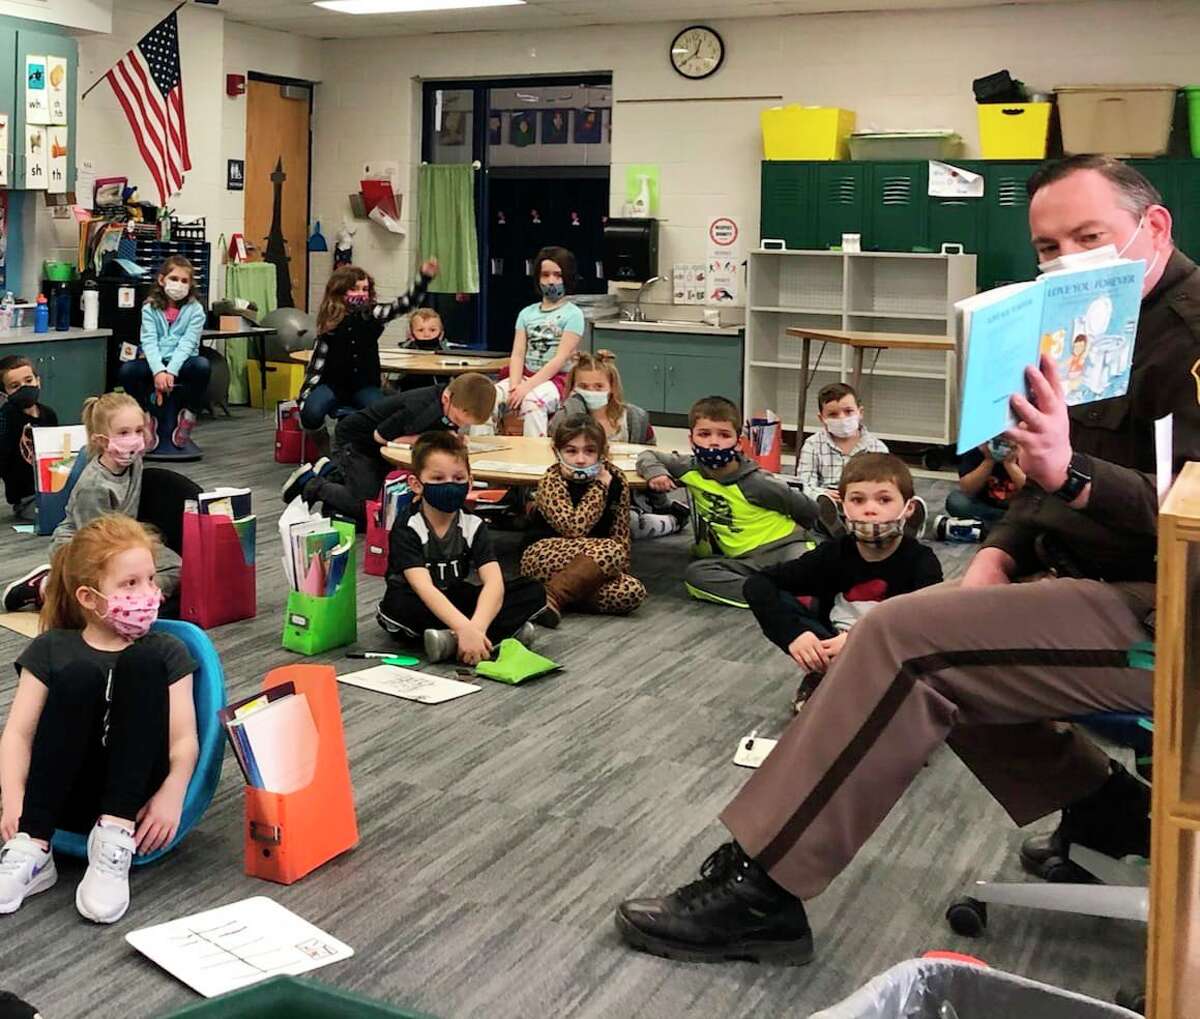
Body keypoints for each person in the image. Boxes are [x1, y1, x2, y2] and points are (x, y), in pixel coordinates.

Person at [613, 154, 1198, 966]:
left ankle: (763, 891)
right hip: (1094, 580)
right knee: (949, 629)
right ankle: (1106, 810)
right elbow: (1043, 470)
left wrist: (1075, 476)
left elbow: (1166, 499)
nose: (1068, 262)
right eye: (1048, 248)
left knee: (905, 639)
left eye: (1090, 237)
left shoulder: (1191, 334)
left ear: (1155, 228)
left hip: (1175, 608)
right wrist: (999, 550)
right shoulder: (1098, 318)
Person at [0, 515, 198, 923]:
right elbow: (19, 734)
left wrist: (173, 792)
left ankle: (113, 839)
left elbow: (184, 739)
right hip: (61, 798)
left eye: (149, 580)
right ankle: (34, 850)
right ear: (89, 598)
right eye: (130, 584)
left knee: (141, 662)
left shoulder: (166, 651)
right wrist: (14, 801)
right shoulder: (52, 648)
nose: (148, 593)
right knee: (78, 675)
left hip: (134, 806)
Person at [745, 452, 942, 713]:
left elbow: (928, 626)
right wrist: (794, 635)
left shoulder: (922, 561)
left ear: (908, 508)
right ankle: (825, 675)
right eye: (857, 500)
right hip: (832, 644)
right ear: (844, 508)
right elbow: (758, 584)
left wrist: (860, 640)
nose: (870, 509)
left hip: (891, 650)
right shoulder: (833, 553)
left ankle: (864, 682)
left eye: (884, 499)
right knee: (777, 595)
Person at [376, 431, 547, 664]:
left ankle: (455, 641)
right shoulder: (408, 526)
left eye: (458, 479)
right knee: (398, 604)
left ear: (469, 481)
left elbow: (494, 582)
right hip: (418, 599)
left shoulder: (473, 524)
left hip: (456, 597)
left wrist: (474, 626)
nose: (449, 485)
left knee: (533, 590)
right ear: (416, 484)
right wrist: (465, 626)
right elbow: (423, 587)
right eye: (438, 479)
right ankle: (500, 636)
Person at [2, 394, 181, 614]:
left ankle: (137, 593)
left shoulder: (134, 460)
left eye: (138, 430)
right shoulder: (94, 485)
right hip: (83, 545)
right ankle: (46, 586)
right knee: (103, 586)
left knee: (176, 568)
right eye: (123, 432)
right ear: (101, 440)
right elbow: (96, 542)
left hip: (123, 539)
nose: (134, 438)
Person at [636, 396, 817, 608]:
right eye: (704, 434)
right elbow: (647, 455)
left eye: (724, 435)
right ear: (691, 439)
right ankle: (774, 596)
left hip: (786, 548)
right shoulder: (689, 468)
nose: (713, 442)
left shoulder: (758, 482)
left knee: (811, 575)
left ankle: (781, 593)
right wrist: (656, 473)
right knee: (696, 575)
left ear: (738, 443)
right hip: (743, 561)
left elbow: (810, 511)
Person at [281, 373, 497, 528]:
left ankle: (333, 472)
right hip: (358, 442)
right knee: (367, 509)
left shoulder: (450, 402)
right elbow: (382, 437)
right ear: (446, 399)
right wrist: (436, 437)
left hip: (376, 449)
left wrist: (453, 435)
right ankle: (312, 483)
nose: (458, 423)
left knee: (381, 505)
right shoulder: (420, 408)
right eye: (458, 419)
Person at [298, 260, 438, 451]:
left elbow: (405, 303)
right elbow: (317, 364)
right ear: (341, 291)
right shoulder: (330, 322)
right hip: (332, 384)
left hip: (364, 385)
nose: (362, 294)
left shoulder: (373, 313)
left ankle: (369, 452)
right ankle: (323, 451)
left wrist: (424, 278)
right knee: (311, 413)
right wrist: (305, 395)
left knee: (383, 414)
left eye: (365, 289)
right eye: (355, 289)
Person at [521, 414, 646, 625]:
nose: (580, 459)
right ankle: (552, 596)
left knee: (632, 591)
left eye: (589, 451)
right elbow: (574, 528)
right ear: (557, 452)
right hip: (543, 554)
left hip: (595, 564)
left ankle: (553, 598)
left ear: (602, 453)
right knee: (610, 550)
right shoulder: (552, 479)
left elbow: (620, 531)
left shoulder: (616, 479)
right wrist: (599, 487)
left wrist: (615, 570)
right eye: (571, 451)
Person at [550, 350, 688, 540]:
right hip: (576, 491)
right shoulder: (566, 417)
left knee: (626, 524)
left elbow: (650, 454)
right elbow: (554, 442)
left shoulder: (634, 417)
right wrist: (574, 405)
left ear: (612, 387)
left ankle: (673, 519)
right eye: (583, 387)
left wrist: (659, 499)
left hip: (626, 495)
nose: (591, 392)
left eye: (598, 386)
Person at [118, 256, 210, 452]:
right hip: (155, 361)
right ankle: (144, 417)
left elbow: (187, 343)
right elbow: (149, 341)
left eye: (184, 281)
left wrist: (171, 371)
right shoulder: (149, 308)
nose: (179, 284)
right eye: (174, 278)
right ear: (162, 280)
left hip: (183, 361)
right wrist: (159, 370)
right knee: (127, 370)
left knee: (202, 366)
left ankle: (188, 416)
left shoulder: (196, 310)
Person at [493, 246, 584, 437]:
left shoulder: (573, 314)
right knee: (488, 398)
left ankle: (534, 457)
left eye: (558, 275)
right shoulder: (526, 313)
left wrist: (527, 388)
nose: (551, 281)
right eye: (545, 275)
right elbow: (518, 354)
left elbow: (560, 359)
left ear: (567, 277)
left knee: (533, 402)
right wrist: (515, 387)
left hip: (556, 379)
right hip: (524, 375)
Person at [0, 356, 57, 520]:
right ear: (5, 393)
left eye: (28, 380)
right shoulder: (6, 418)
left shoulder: (49, 414)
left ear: (38, 381)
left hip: (51, 488)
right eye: (15, 386)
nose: (24, 388)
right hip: (26, 498)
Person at [944, 436, 1027, 530]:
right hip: (987, 506)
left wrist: (1010, 464)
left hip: (1019, 507)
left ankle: (990, 526)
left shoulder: (1028, 451)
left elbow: (1032, 490)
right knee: (956, 501)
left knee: (1040, 509)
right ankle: (1007, 525)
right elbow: (967, 489)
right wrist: (989, 460)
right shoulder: (976, 450)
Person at [397, 308, 449, 392]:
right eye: (420, 330)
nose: (427, 334)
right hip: (410, 394)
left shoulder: (448, 352)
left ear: (441, 334)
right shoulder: (403, 353)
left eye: (432, 330)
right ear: (411, 334)